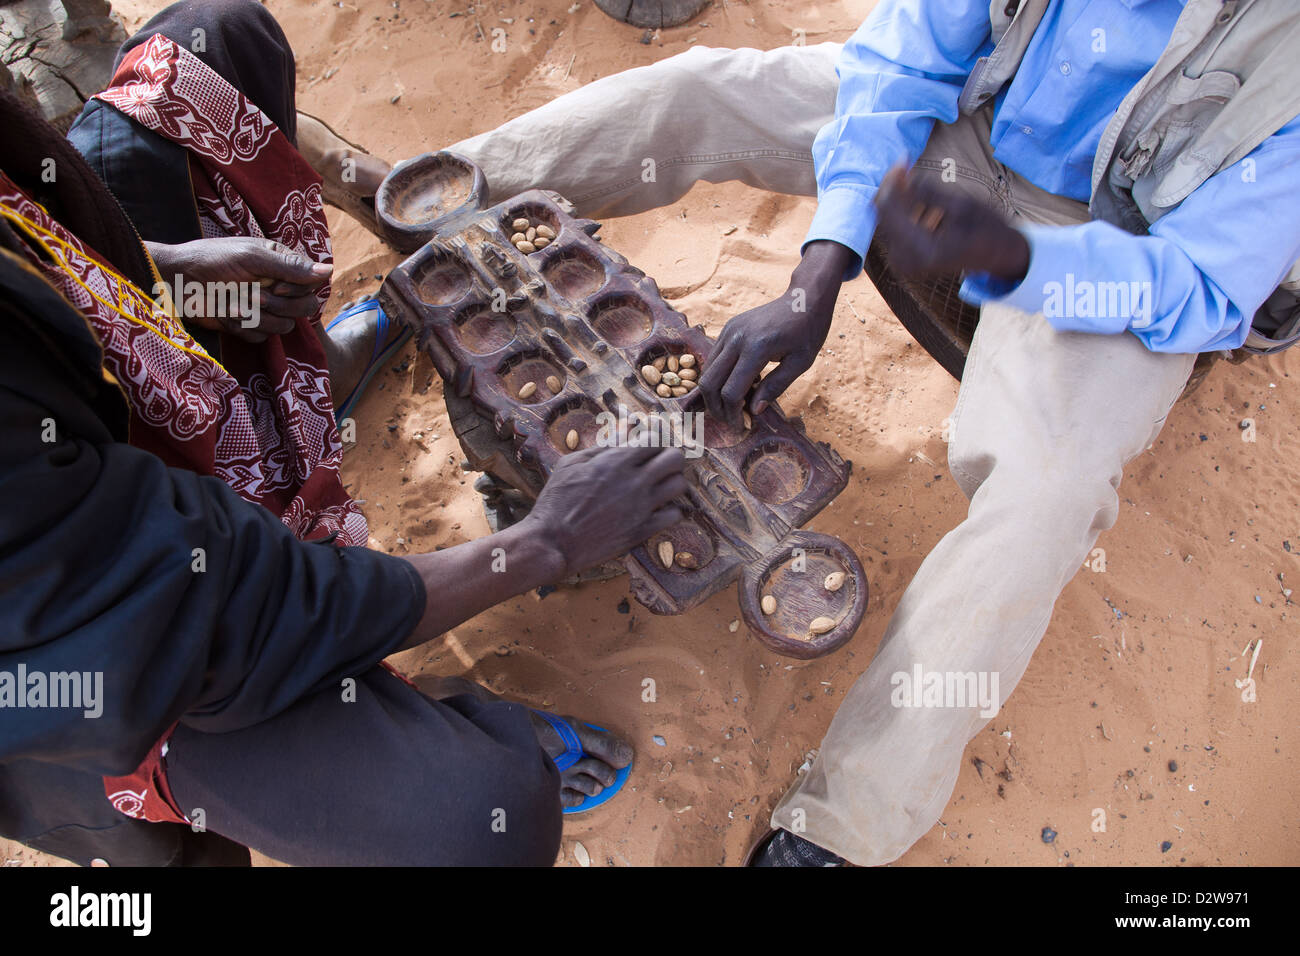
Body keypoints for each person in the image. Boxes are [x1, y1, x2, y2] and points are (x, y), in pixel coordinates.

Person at [443, 0, 1300, 865]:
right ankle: (435, 218)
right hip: (963, 133)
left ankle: (842, 824)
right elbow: (903, 62)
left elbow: (1202, 287)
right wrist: (822, 267)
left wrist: (1017, 260)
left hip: (1110, 248)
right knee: (696, 91)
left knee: (1048, 494)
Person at [0, 0, 687, 867]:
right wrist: (546, 545)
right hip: (79, 668)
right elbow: (214, 607)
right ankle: (403, 705)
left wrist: (161, 275)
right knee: (477, 822)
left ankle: (309, 370)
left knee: (216, 43)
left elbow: (32, 244)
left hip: (73, 427)